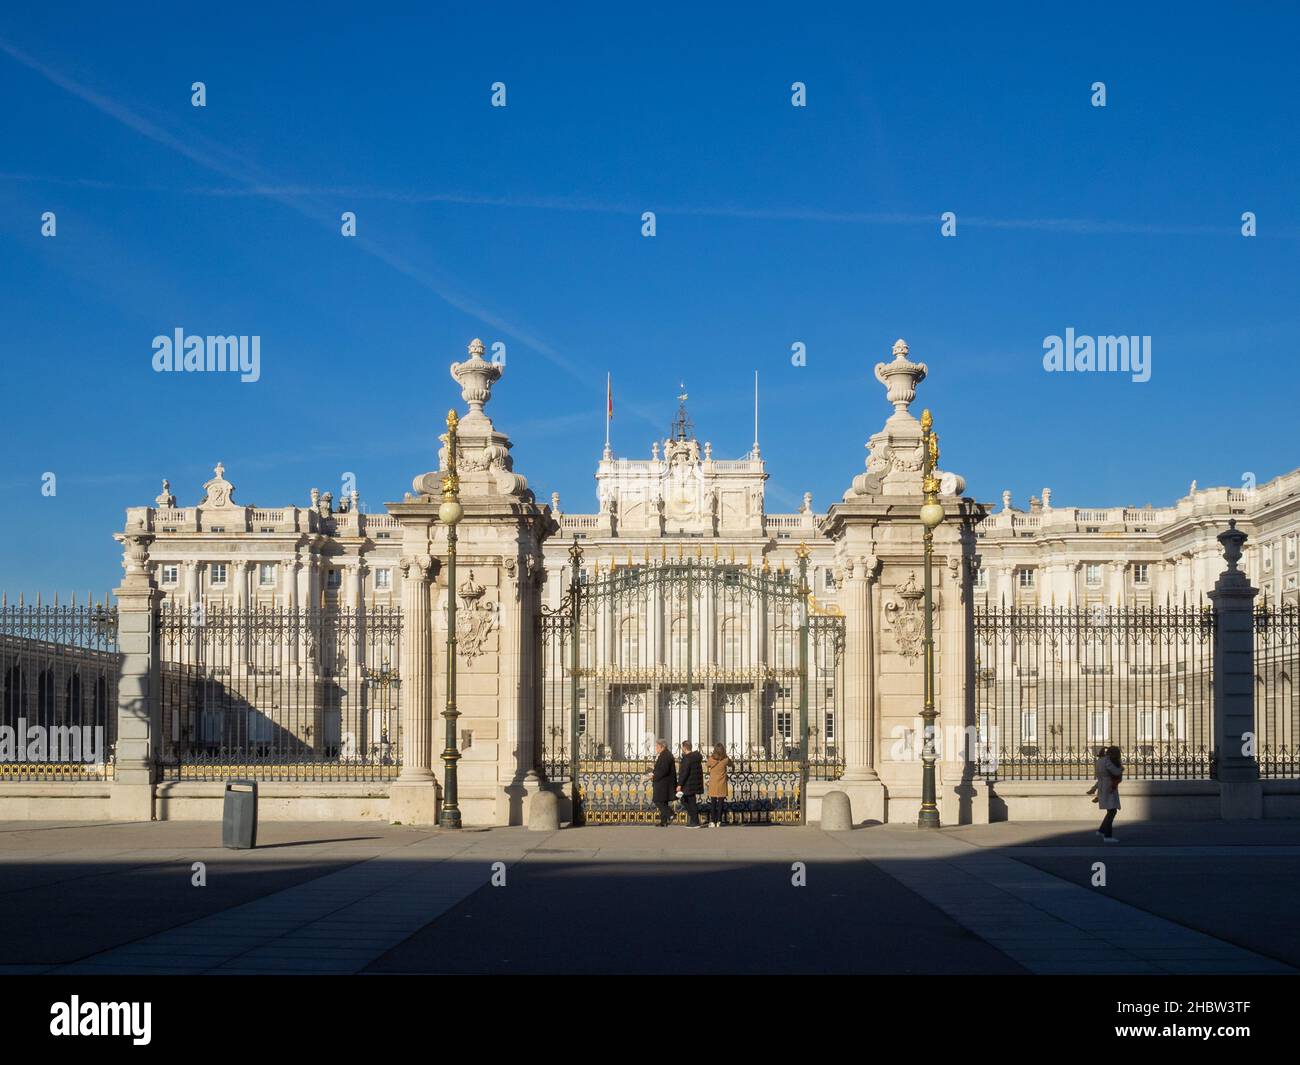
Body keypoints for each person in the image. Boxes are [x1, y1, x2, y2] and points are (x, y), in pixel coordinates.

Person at [1095, 745, 1123, 842]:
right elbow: (1116, 772)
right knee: (1112, 811)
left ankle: (1102, 830)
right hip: (1109, 787)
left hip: (1103, 786)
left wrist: (1094, 788)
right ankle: (1107, 836)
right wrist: (1121, 769)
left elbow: (1098, 776)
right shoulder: (1107, 761)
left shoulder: (1099, 760)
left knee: (1110, 810)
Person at [646, 739, 676, 826]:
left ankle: (670, 814)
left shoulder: (665, 756)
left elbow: (663, 770)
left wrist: (653, 776)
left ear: (662, 747)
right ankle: (664, 822)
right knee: (663, 801)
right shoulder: (665, 754)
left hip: (663, 783)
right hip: (664, 783)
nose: (656, 748)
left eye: (657, 746)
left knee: (658, 800)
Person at [677, 740, 704, 828]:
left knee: (686, 801)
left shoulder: (687, 758)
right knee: (690, 801)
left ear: (684, 748)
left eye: (682, 747)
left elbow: (684, 772)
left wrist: (680, 784)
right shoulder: (696, 757)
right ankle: (694, 820)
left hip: (688, 783)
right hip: (694, 782)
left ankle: (695, 821)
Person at [705, 743, 733, 828]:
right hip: (722, 782)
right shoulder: (725, 759)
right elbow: (731, 765)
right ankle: (719, 821)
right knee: (720, 803)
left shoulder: (711, 759)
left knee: (713, 803)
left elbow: (707, 765)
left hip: (713, 782)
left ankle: (713, 821)